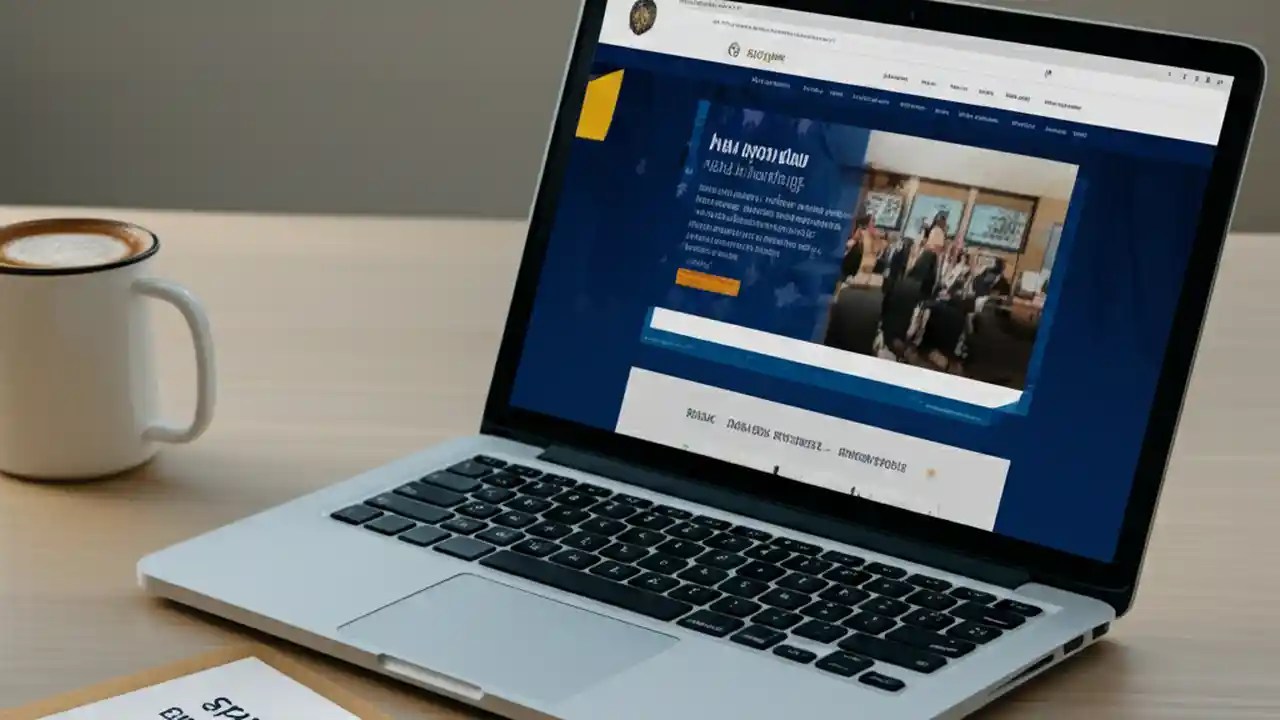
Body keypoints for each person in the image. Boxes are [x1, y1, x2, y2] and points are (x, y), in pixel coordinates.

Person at [840, 213, 874, 284]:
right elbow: (854, 240)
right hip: (853, 256)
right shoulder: (861, 230)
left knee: (845, 273)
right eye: (872, 221)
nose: (873, 223)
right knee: (844, 274)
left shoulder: (866, 232)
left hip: (856, 256)